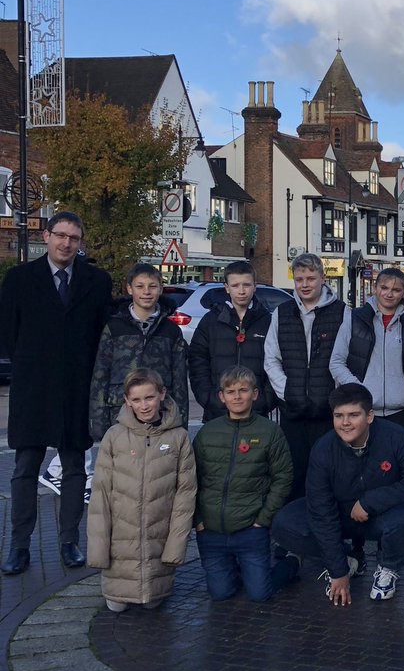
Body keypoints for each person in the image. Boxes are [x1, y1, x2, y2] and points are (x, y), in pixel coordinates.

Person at [0, 212, 112, 574]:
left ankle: (69, 542)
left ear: (81, 242)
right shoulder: (19, 279)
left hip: (77, 388)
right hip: (33, 388)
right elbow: (7, 333)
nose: (66, 243)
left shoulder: (97, 281)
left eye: (74, 238)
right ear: (46, 236)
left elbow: (100, 335)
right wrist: (31, 363)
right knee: (25, 469)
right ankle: (19, 546)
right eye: (60, 235)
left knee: (76, 468)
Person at [270, 383, 404, 605]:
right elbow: (321, 510)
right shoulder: (323, 449)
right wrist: (338, 571)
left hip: (380, 515)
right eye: (339, 416)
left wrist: (370, 501)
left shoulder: (396, 437)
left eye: (354, 415)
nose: (345, 423)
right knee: (285, 524)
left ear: (370, 416)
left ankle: (388, 567)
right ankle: (347, 559)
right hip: (339, 514)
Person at [85, 368, 196, 613]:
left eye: (149, 397)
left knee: (152, 604)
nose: (144, 405)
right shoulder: (114, 437)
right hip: (120, 542)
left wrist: (176, 547)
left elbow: (185, 495)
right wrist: (98, 550)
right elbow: (100, 496)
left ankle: (153, 588)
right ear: (127, 401)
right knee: (116, 607)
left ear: (162, 394)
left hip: (157, 540)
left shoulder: (179, 438)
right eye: (136, 399)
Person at [191, 366, 293, 602]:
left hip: (251, 528)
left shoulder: (270, 432)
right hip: (211, 530)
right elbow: (190, 478)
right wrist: (197, 520)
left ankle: (291, 563)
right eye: (231, 391)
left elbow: (283, 476)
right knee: (221, 593)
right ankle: (236, 570)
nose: (237, 396)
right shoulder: (208, 433)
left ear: (255, 394)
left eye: (243, 390)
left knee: (260, 594)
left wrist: (263, 520)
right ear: (222, 396)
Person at [264, 253, 349, 500]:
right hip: (293, 409)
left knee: (328, 473)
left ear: (323, 278)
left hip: (327, 409)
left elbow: (346, 358)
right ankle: (295, 531)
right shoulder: (282, 313)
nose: (305, 284)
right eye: (299, 279)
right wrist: (288, 390)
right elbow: (271, 359)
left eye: (311, 278)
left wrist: (337, 396)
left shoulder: (342, 312)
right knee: (294, 473)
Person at [89, 263, 189, 441]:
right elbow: (100, 375)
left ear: (160, 289)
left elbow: (180, 378)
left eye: (152, 286)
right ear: (129, 289)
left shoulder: (171, 330)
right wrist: (98, 421)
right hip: (120, 412)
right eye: (140, 286)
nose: (146, 292)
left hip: (160, 412)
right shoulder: (114, 327)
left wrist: (181, 421)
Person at [187, 260, 277, 422]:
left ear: (254, 286)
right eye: (235, 286)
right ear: (227, 288)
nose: (241, 291)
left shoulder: (268, 322)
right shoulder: (211, 321)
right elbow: (197, 360)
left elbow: (277, 362)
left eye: (246, 285)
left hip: (256, 412)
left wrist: (265, 400)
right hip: (217, 412)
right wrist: (208, 398)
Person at [330, 266, 404, 431]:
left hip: (403, 412)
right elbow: (336, 362)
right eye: (384, 288)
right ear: (375, 288)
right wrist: (358, 388)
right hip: (363, 410)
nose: (389, 294)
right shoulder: (355, 319)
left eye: (396, 290)